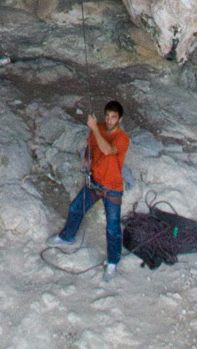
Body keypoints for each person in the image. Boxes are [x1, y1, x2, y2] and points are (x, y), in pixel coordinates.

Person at [50, 100, 129, 275]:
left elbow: (107, 150)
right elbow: (91, 146)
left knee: (112, 227)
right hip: (95, 182)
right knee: (76, 208)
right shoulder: (98, 129)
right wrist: (86, 158)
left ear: (120, 120)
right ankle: (67, 237)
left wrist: (94, 129)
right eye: (107, 116)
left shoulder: (122, 139)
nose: (109, 121)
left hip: (112, 188)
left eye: (113, 118)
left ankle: (113, 262)